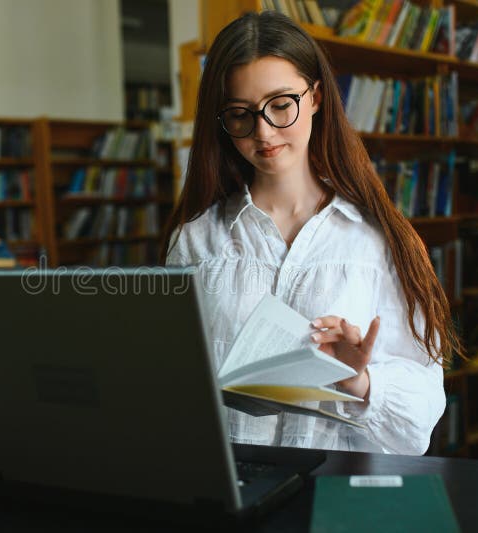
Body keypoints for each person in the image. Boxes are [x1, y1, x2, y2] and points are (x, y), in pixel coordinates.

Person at [162, 11, 462, 455]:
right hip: (229, 492)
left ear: (317, 96)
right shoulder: (196, 240)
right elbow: (169, 384)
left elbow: (420, 412)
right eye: (240, 114)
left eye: (281, 104)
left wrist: (357, 381)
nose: (263, 132)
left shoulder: (376, 240)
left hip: (337, 498)